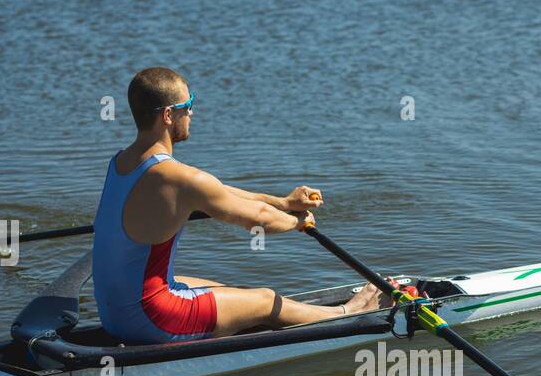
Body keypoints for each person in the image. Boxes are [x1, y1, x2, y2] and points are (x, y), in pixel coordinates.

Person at [91, 66, 387, 344]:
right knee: (265, 300)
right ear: (168, 115)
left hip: (113, 314)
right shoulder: (180, 178)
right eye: (188, 104)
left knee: (223, 290)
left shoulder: (121, 162)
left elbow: (221, 193)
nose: (192, 112)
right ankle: (349, 315)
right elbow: (258, 219)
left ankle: (232, 323)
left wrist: (283, 203)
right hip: (150, 319)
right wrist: (299, 222)